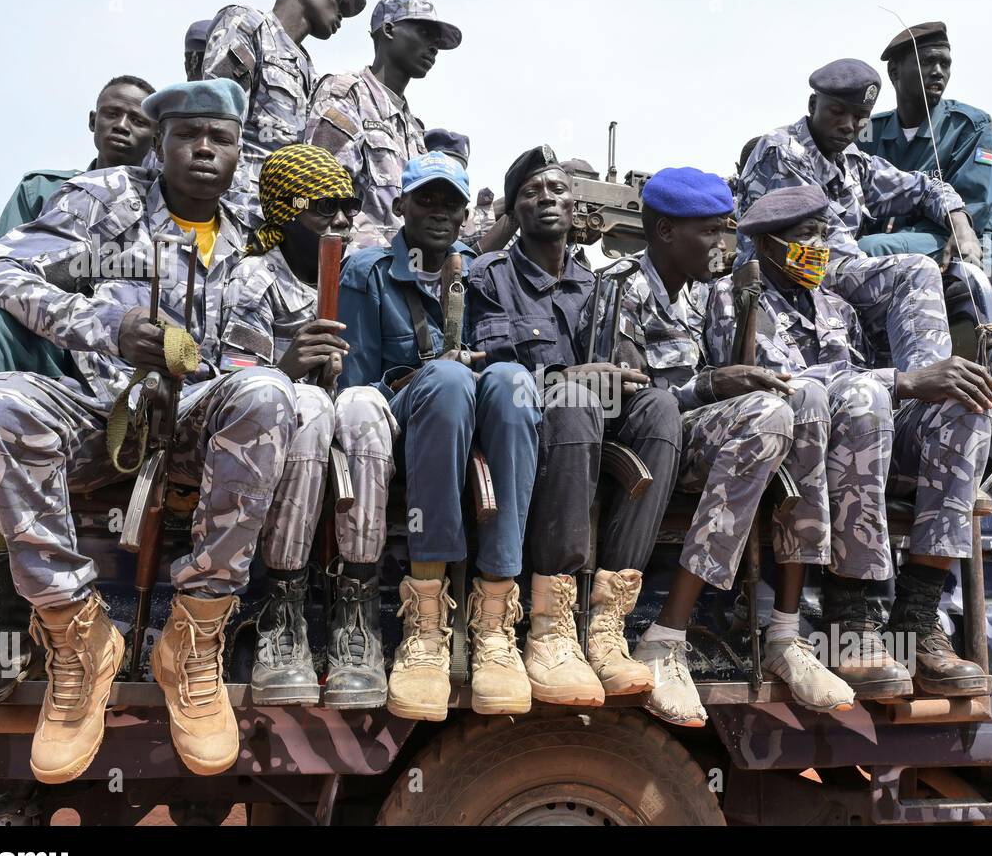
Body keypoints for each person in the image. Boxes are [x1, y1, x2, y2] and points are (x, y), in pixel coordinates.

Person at [0, 80, 312, 784]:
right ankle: (78, 637)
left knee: (267, 391)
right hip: (102, 417)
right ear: (159, 144)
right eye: (187, 135)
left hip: (200, 428)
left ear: (238, 153)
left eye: (220, 138)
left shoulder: (259, 229)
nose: (203, 150)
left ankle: (194, 636)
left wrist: (299, 355)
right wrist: (103, 326)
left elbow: (296, 333)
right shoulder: (105, 199)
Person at [592, 167, 853, 721]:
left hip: (711, 440)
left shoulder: (710, 293)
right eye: (709, 232)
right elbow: (625, 404)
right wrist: (708, 385)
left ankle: (785, 633)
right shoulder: (622, 286)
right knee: (765, 414)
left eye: (725, 231)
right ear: (665, 232)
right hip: (647, 450)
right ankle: (667, 636)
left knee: (801, 395)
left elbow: (737, 374)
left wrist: (743, 360)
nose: (721, 244)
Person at [730, 186, 992, 699]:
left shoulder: (838, 308)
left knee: (966, 404)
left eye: (824, 234)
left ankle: (916, 619)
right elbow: (785, 386)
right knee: (860, 393)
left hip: (865, 450)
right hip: (796, 460)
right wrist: (902, 381)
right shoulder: (743, 301)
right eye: (805, 236)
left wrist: (919, 386)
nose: (820, 246)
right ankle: (848, 617)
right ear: (768, 246)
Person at [467, 146, 677, 712]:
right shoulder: (488, 275)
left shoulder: (602, 287)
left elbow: (626, 366)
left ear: (575, 202)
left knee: (660, 408)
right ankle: (552, 625)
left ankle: (608, 623)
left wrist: (626, 376)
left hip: (592, 420)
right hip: (522, 422)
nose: (547, 199)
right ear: (513, 208)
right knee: (572, 398)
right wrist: (566, 376)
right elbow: (489, 367)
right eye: (532, 192)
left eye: (557, 190)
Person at [338, 152, 542, 719]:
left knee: (512, 380)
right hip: (405, 425)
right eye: (424, 199)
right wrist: (433, 372)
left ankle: (496, 617)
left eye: (450, 202)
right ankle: (425, 621)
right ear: (400, 205)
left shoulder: (485, 272)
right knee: (449, 378)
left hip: (475, 423)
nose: (437, 212)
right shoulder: (367, 272)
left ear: (463, 212)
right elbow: (357, 390)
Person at [221, 144, 371, 706]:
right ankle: (277, 613)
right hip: (276, 456)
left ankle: (357, 620)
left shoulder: (358, 277)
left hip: (350, 457)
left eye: (349, 208)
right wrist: (289, 367)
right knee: (306, 405)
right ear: (285, 214)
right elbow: (236, 387)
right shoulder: (255, 279)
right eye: (323, 209)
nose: (341, 221)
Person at [736, 58, 981, 375]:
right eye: (838, 112)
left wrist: (960, 224)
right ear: (813, 104)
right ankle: (926, 389)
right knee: (915, 271)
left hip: (828, 280)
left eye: (860, 117)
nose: (849, 126)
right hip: (790, 279)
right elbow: (824, 250)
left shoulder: (851, 161)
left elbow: (924, 187)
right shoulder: (782, 151)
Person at [203, 0, 365, 226]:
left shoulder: (307, 70)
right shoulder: (248, 24)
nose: (343, 15)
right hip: (235, 213)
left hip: (284, 221)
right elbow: (217, 124)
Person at [305, 0, 461, 248]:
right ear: (389, 30)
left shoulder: (413, 128)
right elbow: (325, 197)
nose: (434, 47)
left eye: (437, 41)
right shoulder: (345, 94)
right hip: (359, 271)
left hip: (408, 273)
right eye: (424, 32)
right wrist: (386, 257)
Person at [858, 22, 992, 275]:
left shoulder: (969, 127)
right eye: (928, 62)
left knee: (868, 250)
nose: (938, 72)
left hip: (961, 240)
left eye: (945, 64)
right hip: (893, 239)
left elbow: (976, 207)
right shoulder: (868, 132)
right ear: (894, 72)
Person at [0, 76, 157, 241]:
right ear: (93, 122)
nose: (121, 126)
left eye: (137, 121)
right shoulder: (40, 190)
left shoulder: (162, 206)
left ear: (156, 139)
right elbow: (3, 261)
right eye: (112, 114)